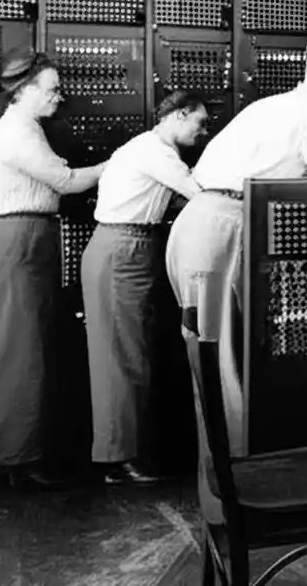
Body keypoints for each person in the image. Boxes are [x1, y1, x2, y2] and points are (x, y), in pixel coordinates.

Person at [163, 37, 307, 518]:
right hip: (224, 228)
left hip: (198, 221)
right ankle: (232, 504)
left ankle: (216, 496)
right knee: (222, 367)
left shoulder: (270, 107)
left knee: (210, 362)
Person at [0, 49, 106, 486]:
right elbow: (67, 181)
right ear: (25, 90)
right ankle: (19, 460)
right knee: (24, 351)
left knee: (16, 349)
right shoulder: (19, 133)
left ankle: (6, 451)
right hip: (21, 242)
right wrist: (118, 165)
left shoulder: (21, 129)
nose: (58, 96)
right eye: (51, 89)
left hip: (21, 241)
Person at [81, 90, 208, 485]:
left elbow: (167, 204)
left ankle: (126, 454)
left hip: (129, 248)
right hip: (123, 250)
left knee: (130, 355)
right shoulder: (158, 153)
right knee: (123, 359)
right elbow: (199, 195)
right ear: (179, 115)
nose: (203, 132)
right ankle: (120, 459)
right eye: (199, 123)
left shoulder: (147, 150)